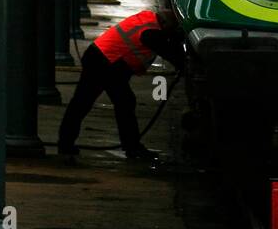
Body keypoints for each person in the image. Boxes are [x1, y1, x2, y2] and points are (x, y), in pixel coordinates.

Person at [58, 8, 185, 159]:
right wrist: (183, 62)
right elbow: (166, 50)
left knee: (83, 103)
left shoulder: (148, 19)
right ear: (164, 24)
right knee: (121, 102)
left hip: (102, 58)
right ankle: (132, 148)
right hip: (105, 63)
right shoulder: (151, 32)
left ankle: (66, 143)